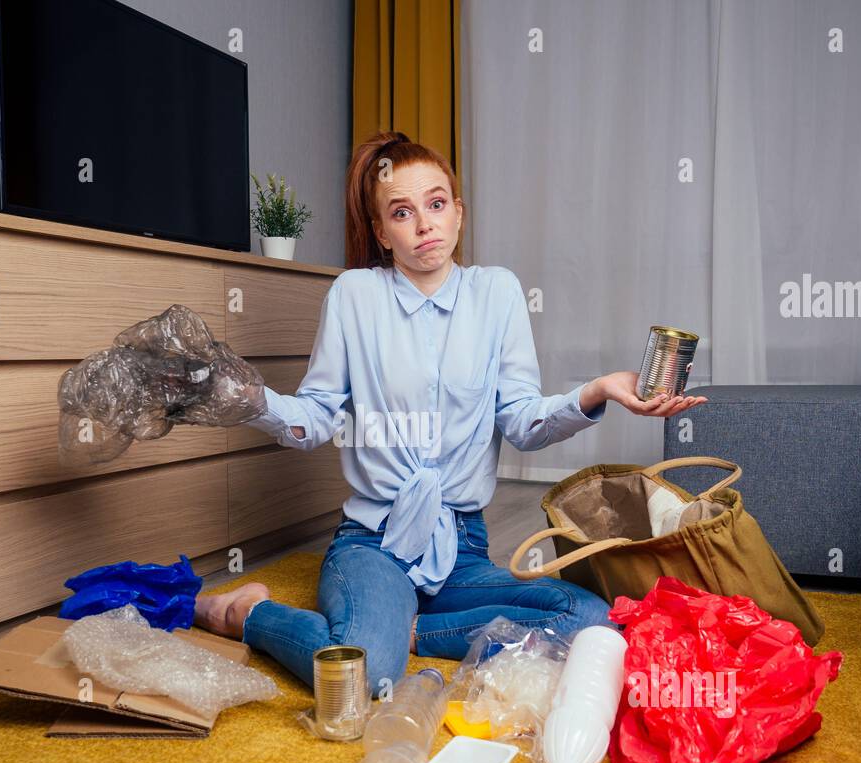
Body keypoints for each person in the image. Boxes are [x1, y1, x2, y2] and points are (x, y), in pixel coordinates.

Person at [195, 130, 706, 693]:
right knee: (362, 676)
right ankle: (245, 613)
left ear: (458, 215)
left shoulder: (497, 293)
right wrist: (251, 400)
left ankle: (415, 633)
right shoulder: (354, 295)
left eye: (436, 205)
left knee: (587, 620)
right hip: (374, 541)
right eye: (402, 213)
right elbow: (315, 417)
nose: (424, 225)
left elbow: (522, 422)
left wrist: (600, 389)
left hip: (461, 545)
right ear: (381, 232)